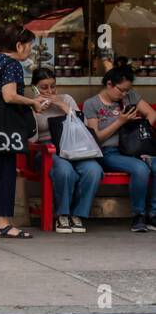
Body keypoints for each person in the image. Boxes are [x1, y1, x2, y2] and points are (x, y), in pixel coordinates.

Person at [0, 25, 45, 239]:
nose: (30, 51)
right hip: (5, 127)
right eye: (29, 46)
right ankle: (4, 223)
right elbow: (9, 96)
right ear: (18, 45)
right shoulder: (12, 64)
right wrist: (33, 102)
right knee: (6, 172)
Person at [84, 65, 156, 233]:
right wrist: (120, 122)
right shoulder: (91, 104)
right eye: (121, 90)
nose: (124, 94)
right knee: (141, 169)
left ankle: (152, 214)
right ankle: (138, 215)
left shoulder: (130, 96)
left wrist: (140, 126)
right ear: (109, 84)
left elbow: (152, 114)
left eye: (127, 90)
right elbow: (97, 138)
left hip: (135, 149)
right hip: (109, 151)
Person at [31, 67, 98, 234]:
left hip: (75, 149)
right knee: (65, 170)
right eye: (44, 87)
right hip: (49, 151)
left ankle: (78, 214)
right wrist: (35, 111)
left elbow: (83, 127)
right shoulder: (30, 105)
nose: (49, 91)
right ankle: (63, 213)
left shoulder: (66, 99)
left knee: (93, 170)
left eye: (53, 86)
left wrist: (62, 106)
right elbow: (32, 140)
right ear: (34, 87)